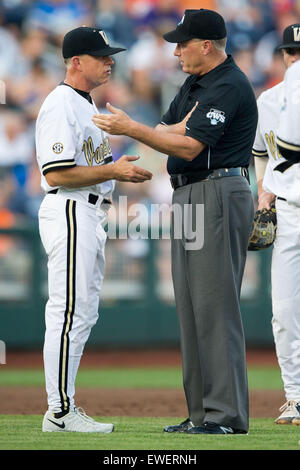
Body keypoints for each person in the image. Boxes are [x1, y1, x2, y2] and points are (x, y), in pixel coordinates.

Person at [93, 9, 257, 434]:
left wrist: (132, 127)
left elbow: (185, 144)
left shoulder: (229, 84)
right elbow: (169, 128)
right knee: (190, 306)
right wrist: (155, 132)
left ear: (207, 45)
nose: (176, 48)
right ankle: (202, 413)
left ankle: (225, 416)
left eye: (183, 42)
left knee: (214, 307)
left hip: (218, 189)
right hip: (190, 192)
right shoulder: (194, 84)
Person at [35, 26, 152, 433]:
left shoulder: (87, 105)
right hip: (69, 209)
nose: (110, 61)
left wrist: (117, 170)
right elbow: (57, 172)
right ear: (76, 61)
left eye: (110, 55)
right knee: (68, 312)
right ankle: (60, 412)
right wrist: (112, 169)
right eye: (101, 56)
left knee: (82, 313)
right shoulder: (60, 103)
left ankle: (63, 408)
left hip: (89, 213)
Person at [253, 23, 300, 425]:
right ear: (284, 56)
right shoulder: (268, 101)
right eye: (292, 52)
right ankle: (295, 396)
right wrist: (264, 190)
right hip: (287, 211)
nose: (296, 59)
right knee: (284, 311)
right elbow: (260, 155)